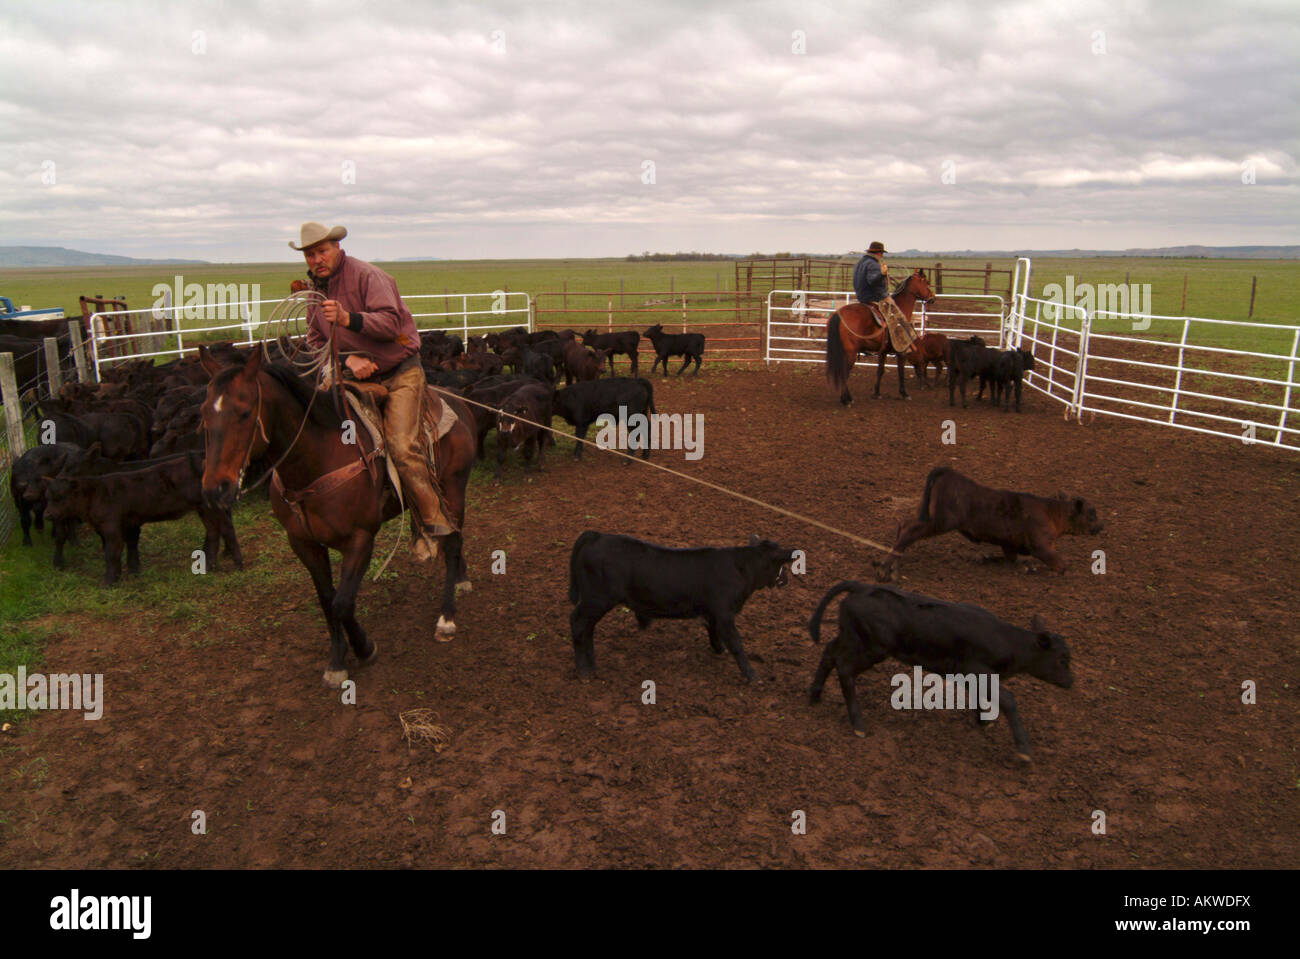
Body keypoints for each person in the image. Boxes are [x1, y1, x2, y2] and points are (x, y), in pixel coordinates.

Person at [290, 221, 453, 560]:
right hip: (351, 373)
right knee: (318, 427)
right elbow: (316, 340)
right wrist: (347, 361)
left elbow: (393, 325)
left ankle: (432, 519)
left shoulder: (369, 277)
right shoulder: (313, 294)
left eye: (322, 251)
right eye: (310, 254)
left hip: (398, 371)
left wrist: (350, 319)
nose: (317, 259)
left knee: (401, 444)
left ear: (337, 248)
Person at [852, 240, 918, 352]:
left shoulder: (860, 263)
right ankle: (903, 343)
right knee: (898, 316)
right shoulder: (873, 264)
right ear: (878, 253)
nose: (882, 255)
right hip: (875, 297)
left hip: (861, 296)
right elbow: (872, 280)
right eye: (881, 253)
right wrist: (881, 274)